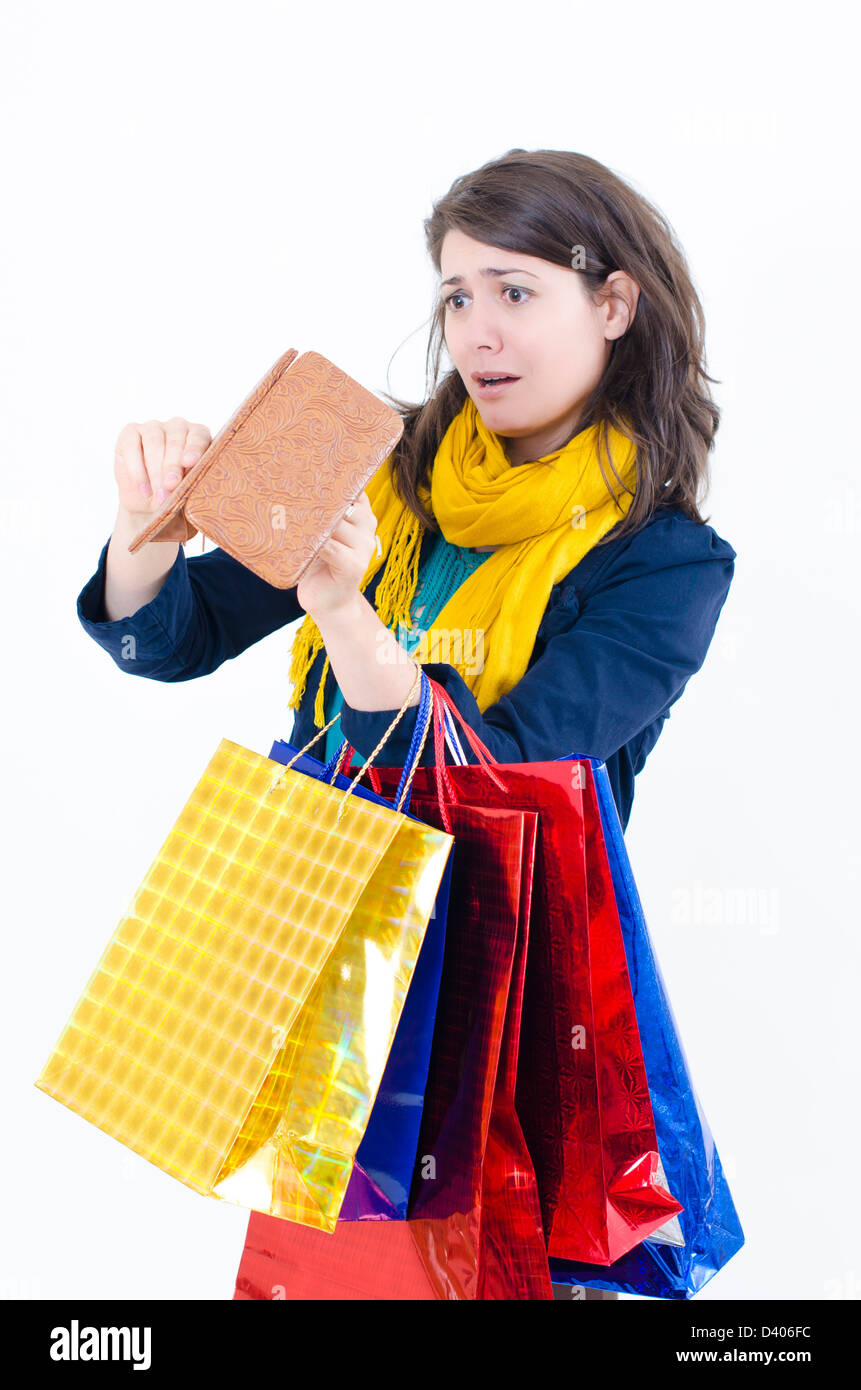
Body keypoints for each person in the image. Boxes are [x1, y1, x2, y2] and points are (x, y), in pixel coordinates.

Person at [76, 148, 737, 1300]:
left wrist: (347, 618)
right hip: (331, 943)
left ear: (615, 303)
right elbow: (168, 639)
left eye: (517, 291)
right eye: (456, 295)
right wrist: (146, 528)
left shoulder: (667, 560)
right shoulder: (367, 452)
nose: (478, 331)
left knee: (510, 1276)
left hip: (518, 986)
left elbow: (493, 765)